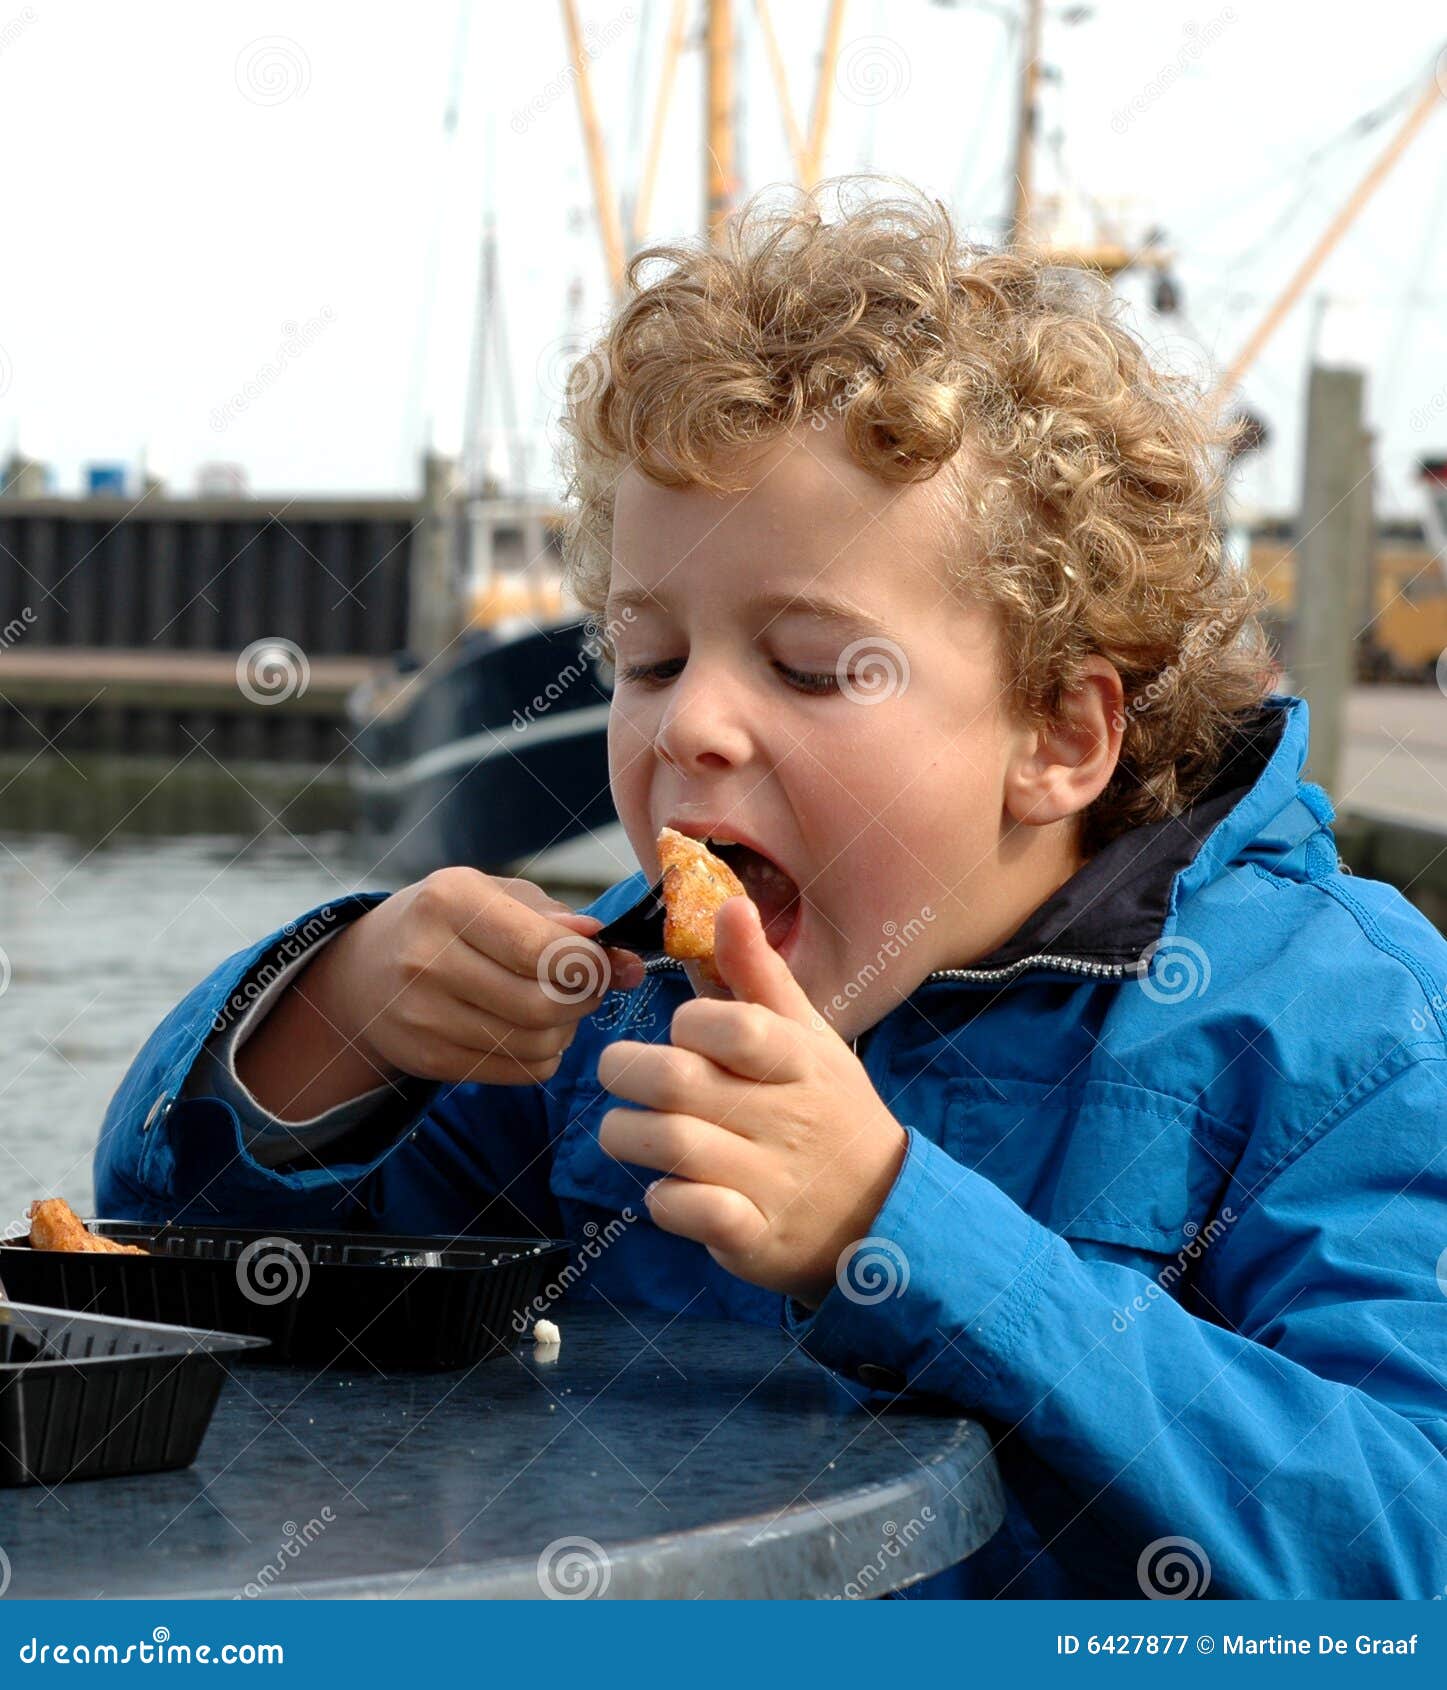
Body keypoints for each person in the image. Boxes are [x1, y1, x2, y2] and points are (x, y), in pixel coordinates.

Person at [95, 180, 1447, 1599]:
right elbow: (182, 1283)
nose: (690, 728)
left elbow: (1405, 1544)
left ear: (1058, 736)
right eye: (651, 657)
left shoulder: (1341, 1028)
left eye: (812, 666)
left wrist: (898, 1225)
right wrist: (335, 1024)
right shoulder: (606, 1031)